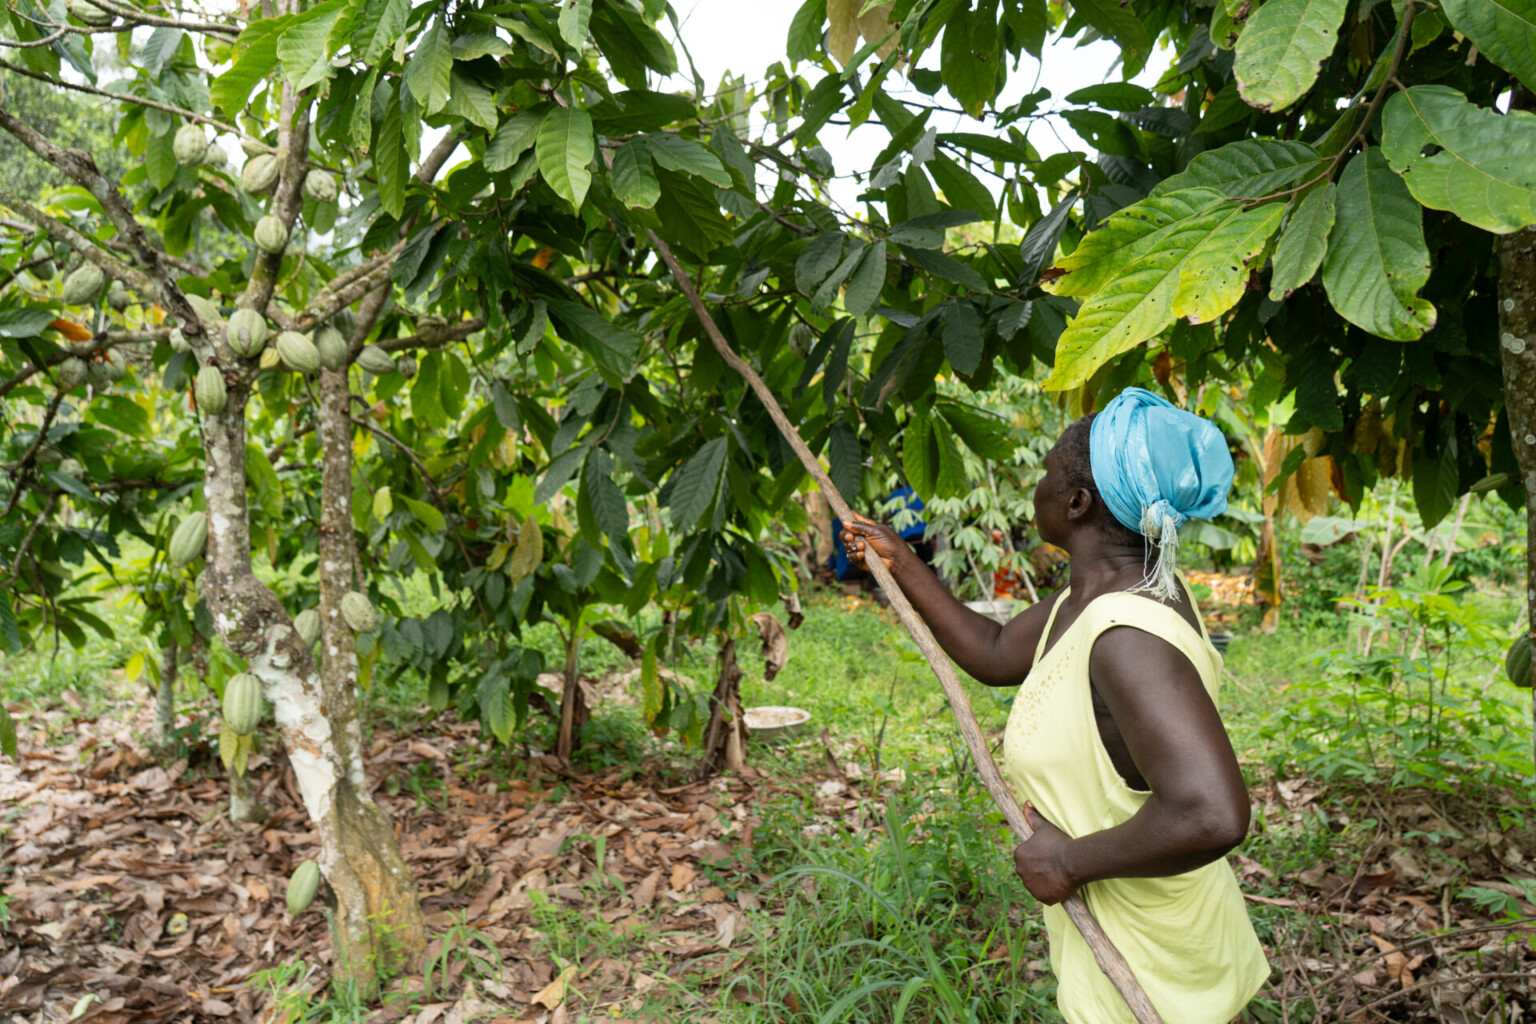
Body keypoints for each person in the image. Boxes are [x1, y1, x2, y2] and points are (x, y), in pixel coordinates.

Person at [841, 387, 1268, 1024]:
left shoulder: (1126, 635)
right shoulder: (1097, 599)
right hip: (1153, 939)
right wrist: (900, 561)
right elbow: (992, 651)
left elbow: (1214, 813)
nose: (1035, 486)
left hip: (1158, 967)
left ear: (1076, 502)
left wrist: (1068, 861)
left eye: (1045, 473)